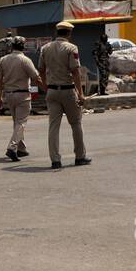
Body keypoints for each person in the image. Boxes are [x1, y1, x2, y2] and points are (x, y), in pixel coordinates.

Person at [38, 21, 91, 169]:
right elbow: (75, 72)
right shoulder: (71, 48)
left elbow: (41, 70)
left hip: (52, 91)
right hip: (68, 91)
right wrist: (81, 94)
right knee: (76, 124)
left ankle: (55, 160)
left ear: (57, 32)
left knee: (53, 127)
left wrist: (46, 87)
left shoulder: (45, 48)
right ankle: (80, 156)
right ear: (69, 33)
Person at [0, 35, 46, 162]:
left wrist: (0, 96)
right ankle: (12, 147)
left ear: (12, 46)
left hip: (9, 95)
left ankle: (21, 148)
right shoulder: (25, 60)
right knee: (21, 122)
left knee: (17, 122)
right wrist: (46, 90)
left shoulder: (3, 60)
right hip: (22, 95)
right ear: (23, 47)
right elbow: (36, 78)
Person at [94, 32, 112, 96]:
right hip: (101, 62)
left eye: (106, 38)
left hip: (106, 62)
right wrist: (97, 62)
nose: (106, 39)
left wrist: (110, 47)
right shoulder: (99, 44)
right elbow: (95, 54)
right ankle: (101, 90)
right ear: (102, 38)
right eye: (105, 38)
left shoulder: (107, 45)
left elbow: (110, 53)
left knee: (106, 76)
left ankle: (103, 90)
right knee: (103, 75)